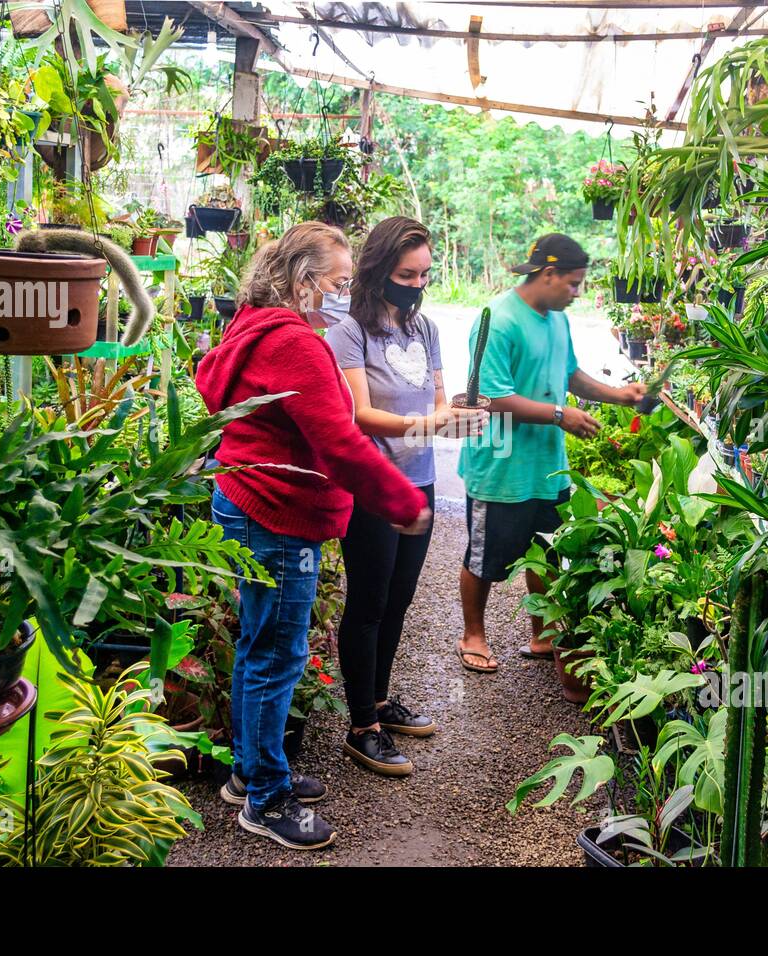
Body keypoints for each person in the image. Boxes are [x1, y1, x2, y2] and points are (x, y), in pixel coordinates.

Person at [195, 221, 432, 851]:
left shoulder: (253, 322)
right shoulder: (296, 343)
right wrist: (400, 500)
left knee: (258, 645)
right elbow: (339, 440)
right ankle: (266, 800)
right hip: (277, 512)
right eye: (338, 282)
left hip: (246, 497)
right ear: (303, 284)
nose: (343, 292)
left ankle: (251, 773)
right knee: (277, 655)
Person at [324, 217, 487, 777]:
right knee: (367, 603)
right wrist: (434, 423)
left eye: (424, 275)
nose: (417, 285)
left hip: (419, 479)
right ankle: (361, 725)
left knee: (398, 601)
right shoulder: (348, 332)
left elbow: (439, 404)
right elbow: (361, 415)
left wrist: (459, 417)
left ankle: (381, 699)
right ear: (377, 271)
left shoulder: (427, 331)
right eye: (405, 274)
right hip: (372, 485)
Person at [456, 234, 646, 672]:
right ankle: (473, 635)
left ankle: (542, 635)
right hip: (501, 468)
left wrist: (618, 396)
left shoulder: (555, 319)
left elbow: (570, 373)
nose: (577, 293)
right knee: (485, 558)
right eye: (573, 284)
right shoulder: (499, 320)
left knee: (547, 551)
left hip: (548, 469)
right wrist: (560, 416)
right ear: (547, 274)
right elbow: (491, 397)